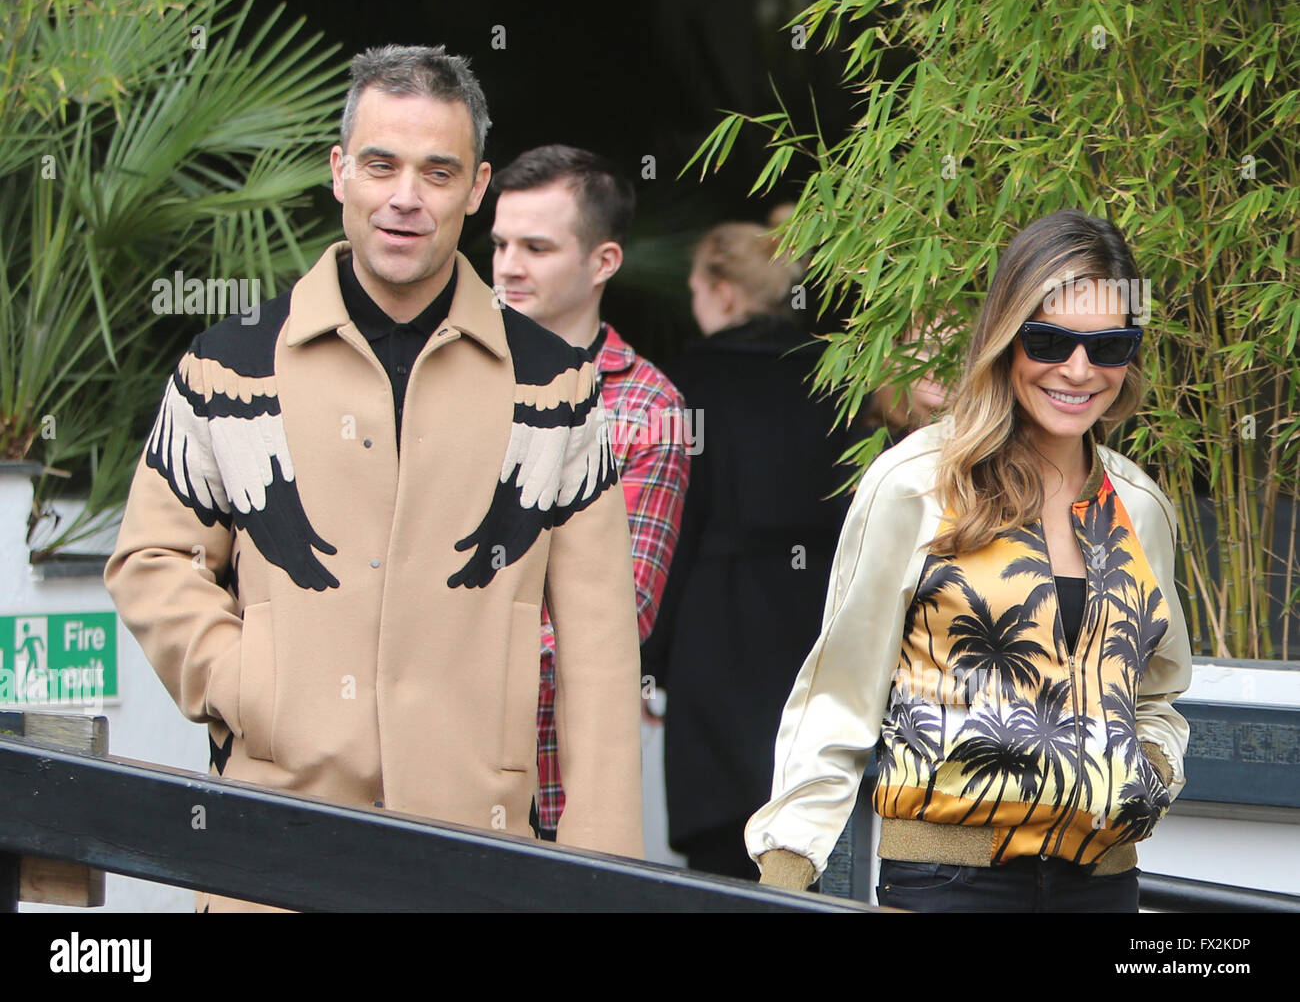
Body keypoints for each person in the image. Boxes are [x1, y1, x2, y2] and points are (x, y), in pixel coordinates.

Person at [104, 45, 644, 912]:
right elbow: (152, 559)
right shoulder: (227, 366)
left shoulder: (555, 386)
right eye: (382, 164)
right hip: (271, 847)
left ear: (476, 190)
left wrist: (604, 874)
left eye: (438, 171)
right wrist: (252, 684)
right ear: (339, 171)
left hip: (479, 854)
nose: (406, 196)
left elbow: (601, 647)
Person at [747, 209, 1192, 912]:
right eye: (1050, 339)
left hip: (1104, 885)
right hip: (947, 881)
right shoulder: (916, 484)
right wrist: (788, 864)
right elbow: (840, 691)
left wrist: (1152, 768)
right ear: (1006, 339)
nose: (1079, 369)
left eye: (1108, 345)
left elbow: (1156, 689)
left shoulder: (1138, 506)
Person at [642, 221, 855, 880]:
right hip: (825, 628)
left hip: (718, 637)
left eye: (696, 289)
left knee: (721, 862)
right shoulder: (844, 382)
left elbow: (672, 531)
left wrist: (649, 656)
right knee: (820, 850)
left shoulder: (683, 387)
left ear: (725, 293)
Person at [490, 144, 690, 839]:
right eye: (501, 243)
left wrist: (447, 639)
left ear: (603, 261)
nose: (508, 265)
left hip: (549, 783)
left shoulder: (647, 408)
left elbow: (613, 617)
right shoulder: (441, 374)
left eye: (536, 247)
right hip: (410, 775)